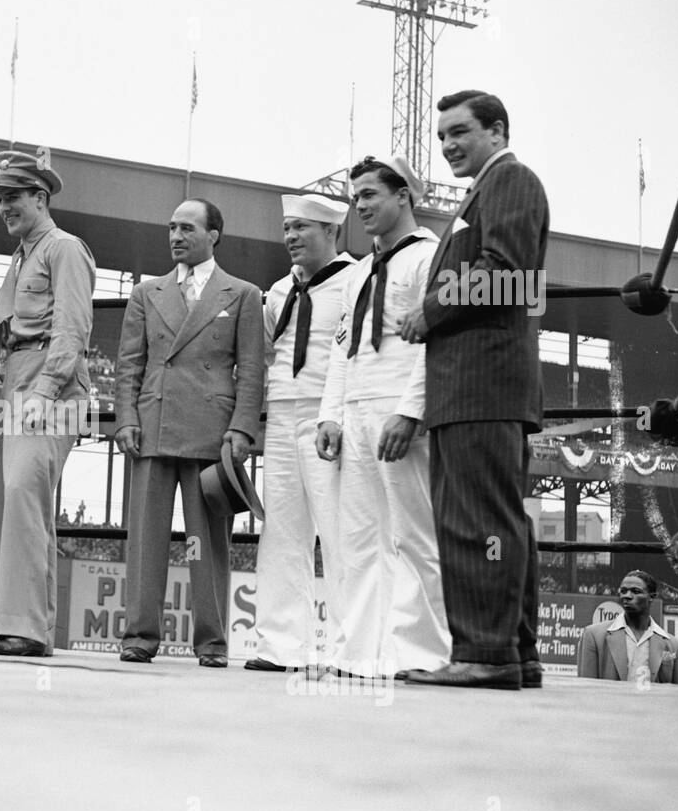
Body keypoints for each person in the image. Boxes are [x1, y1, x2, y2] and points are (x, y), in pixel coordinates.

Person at [400, 90, 548, 690]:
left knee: (476, 520)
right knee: (497, 519)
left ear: (497, 130)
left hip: (480, 384)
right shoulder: (488, 189)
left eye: (460, 131)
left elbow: (505, 274)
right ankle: (513, 653)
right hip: (480, 385)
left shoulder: (510, 182)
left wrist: (429, 312)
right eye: (441, 137)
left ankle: (484, 655)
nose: (448, 145)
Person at [114, 198, 264, 667]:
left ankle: (213, 641)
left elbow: (253, 370)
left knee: (207, 541)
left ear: (213, 235)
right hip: (153, 427)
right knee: (145, 539)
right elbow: (128, 365)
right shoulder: (147, 293)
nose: (176, 236)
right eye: (171, 228)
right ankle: (139, 635)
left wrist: (241, 429)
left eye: (187, 228)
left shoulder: (242, 294)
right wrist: (125, 418)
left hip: (211, 433)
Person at [316, 156, 451, 679]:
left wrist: (411, 411)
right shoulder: (356, 273)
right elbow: (341, 348)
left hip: (398, 413)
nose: (360, 206)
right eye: (355, 198)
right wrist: (330, 414)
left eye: (370, 194)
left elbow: (433, 343)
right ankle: (360, 654)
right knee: (358, 540)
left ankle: (419, 655)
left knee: (413, 536)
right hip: (356, 413)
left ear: (404, 196)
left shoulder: (428, 257)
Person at [0, 149, 95, 657]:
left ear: (41, 197)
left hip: (51, 383)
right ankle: (27, 628)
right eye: (0, 197)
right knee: (17, 507)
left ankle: (24, 630)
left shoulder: (63, 248)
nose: (4, 206)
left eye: (14, 196)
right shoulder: (23, 253)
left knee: (24, 497)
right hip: (19, 379)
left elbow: (72, 330)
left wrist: (43, 394)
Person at [246, 194, 355, 673]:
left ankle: (349, 646)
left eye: (302, 228)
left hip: (328, 415)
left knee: (336, 531)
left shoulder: (356, 281)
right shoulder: (277, 290)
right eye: (287, 228)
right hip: (283, 413)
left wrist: (337, 414)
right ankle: (280, 646)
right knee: (283, 531)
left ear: (331, 232)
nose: (290, 237)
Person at [576, 571, 678, 684]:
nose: (627, 596)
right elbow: (586, 690)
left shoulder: (674, 646)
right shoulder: (594, 636)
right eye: (623, 591)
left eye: (636, 591)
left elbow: (677, 697)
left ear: (651, 597)